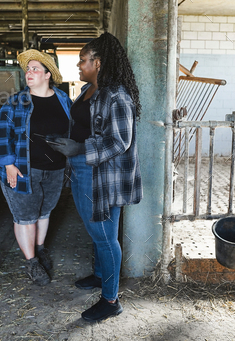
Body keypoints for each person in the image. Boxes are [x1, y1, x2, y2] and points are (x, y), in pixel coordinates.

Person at [49, 32, 142, 322]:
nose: (78, 66)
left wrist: (78, 147)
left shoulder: (116, 96)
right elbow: (83, 126)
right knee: (97, 232)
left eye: (82, 61)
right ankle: (102, 275)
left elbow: (120, 141)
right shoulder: (89, 90)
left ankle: (111, 300)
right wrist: (66, 143)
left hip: (102, 175)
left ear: (98, 63)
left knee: (104, 237)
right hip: (83, 169)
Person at [0, 49, 71, 286]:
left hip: (55, 169)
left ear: (48, 74)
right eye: (28, 69)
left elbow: (72, 129)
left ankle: (39, 248)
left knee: (44, 212)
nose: (29, 72)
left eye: (35, 69)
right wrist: (8, 165)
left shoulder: (64, 100)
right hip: (25, 169)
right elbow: (1, 134)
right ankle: (31, 263)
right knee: (25, 217)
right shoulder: (16, 102)